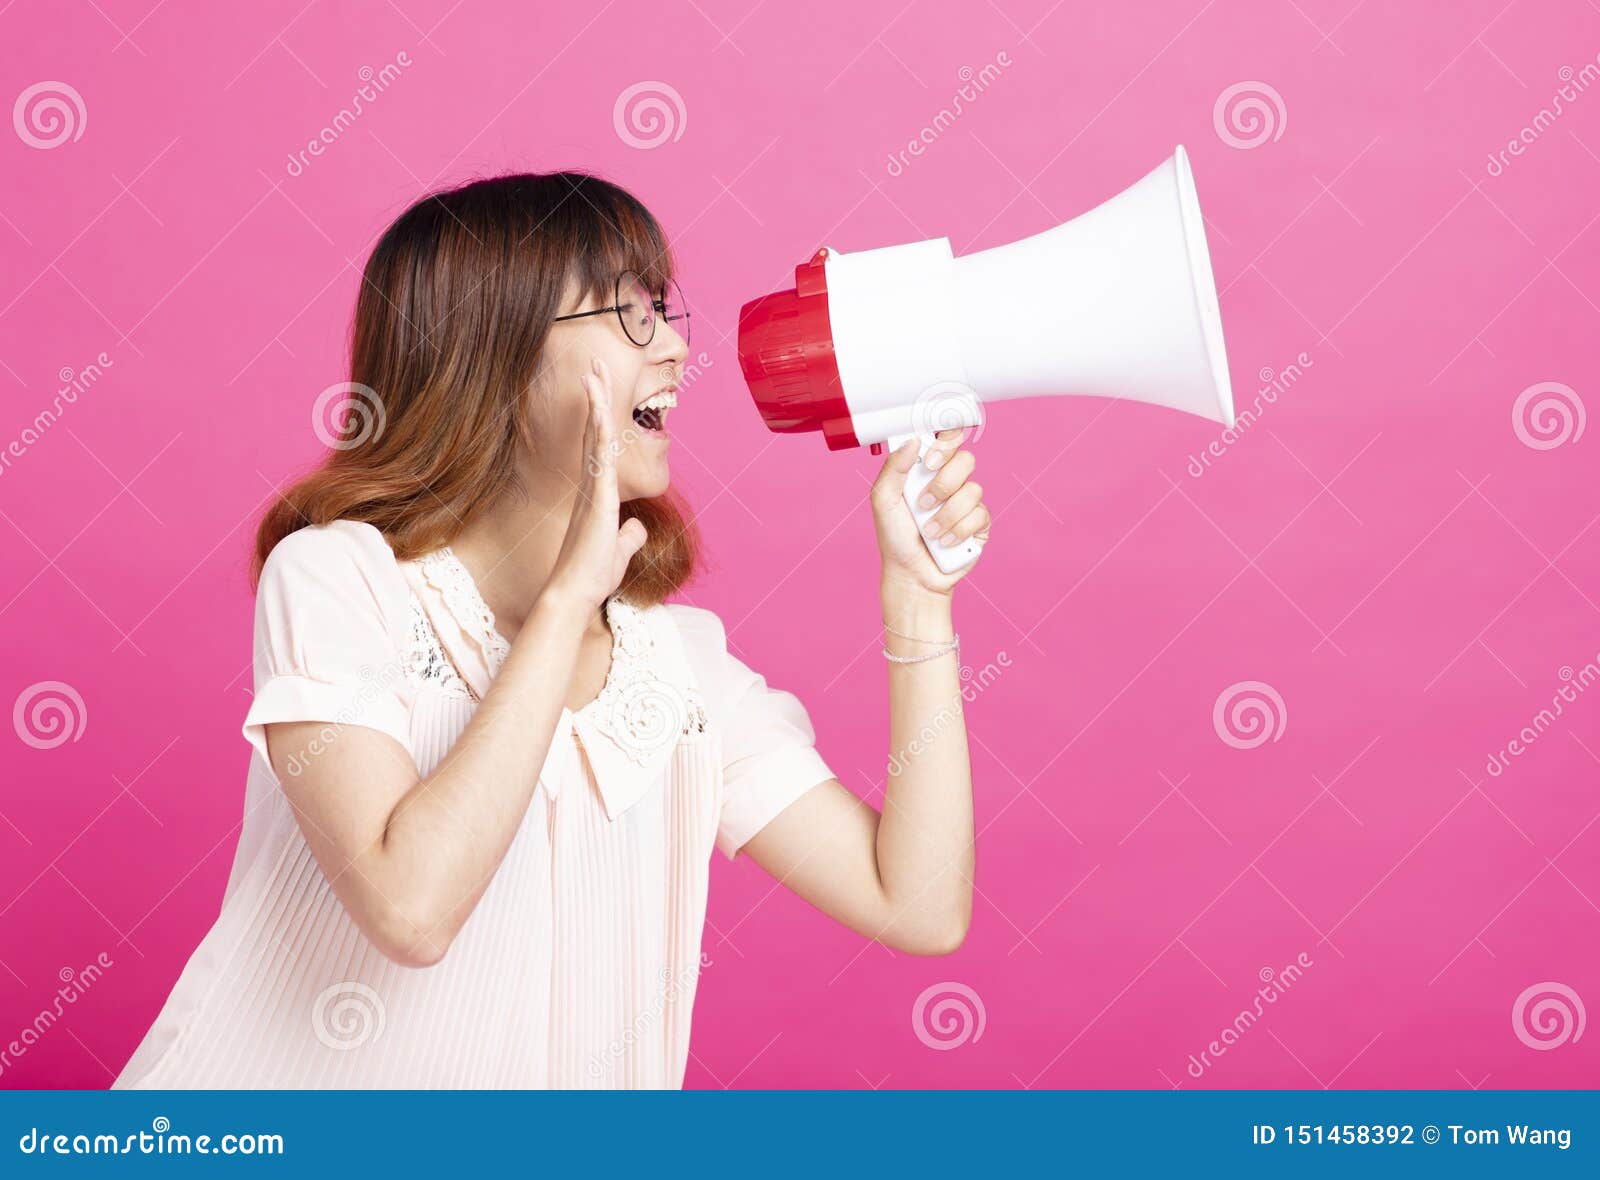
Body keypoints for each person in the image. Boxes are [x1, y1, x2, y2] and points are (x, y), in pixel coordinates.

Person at [112, 171, 990, 1088]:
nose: (675, 357)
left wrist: (918, 602)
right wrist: (568, 601)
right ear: (492, 353)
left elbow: (919, 906)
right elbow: (411, 908)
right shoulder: (339, 580)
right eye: (626, 316)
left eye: (663, 313)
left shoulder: (677, 668)